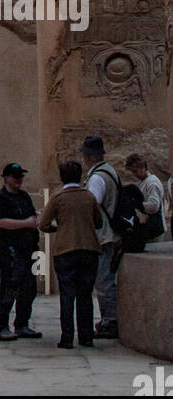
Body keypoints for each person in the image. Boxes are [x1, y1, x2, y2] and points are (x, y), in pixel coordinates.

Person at [38, 160, 102, 349]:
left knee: (67, 295)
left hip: (65, 249)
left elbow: (43, 224)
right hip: (89, 248)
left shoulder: (58, 198)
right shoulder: (89, 197)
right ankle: (86, 336)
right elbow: (98, 222)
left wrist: (57, 228)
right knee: (86, 295)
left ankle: (67, 337)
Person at [0, 163, 42, 342]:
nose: (19, 180)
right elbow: (1, 222)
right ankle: (2, 326)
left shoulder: (24, 197)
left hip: (29, 248)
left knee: (30, 287)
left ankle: (22, 323)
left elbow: (33, 218)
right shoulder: (0, 199)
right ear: (6, 178)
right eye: (15, 177)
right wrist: (25, 223)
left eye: (20, 177)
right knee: (9, 286)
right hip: (10, 250)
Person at [81, 135, 121, 338]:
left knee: (103, 281)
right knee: (106, 279)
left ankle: (110, 321)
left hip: (103, 234)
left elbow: (92, 204)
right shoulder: (110, 171)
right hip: (110, 232)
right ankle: (110, 318)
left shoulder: (97, 177)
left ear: (88, 156)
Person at [124, 153, 167, 249]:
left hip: (155, 229)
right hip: (149, 227)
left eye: (135, 171)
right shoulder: (144, 182)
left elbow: (153, 206)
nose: (134, 174)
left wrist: (136, 204)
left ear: (143, 168)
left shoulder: (152, 183)